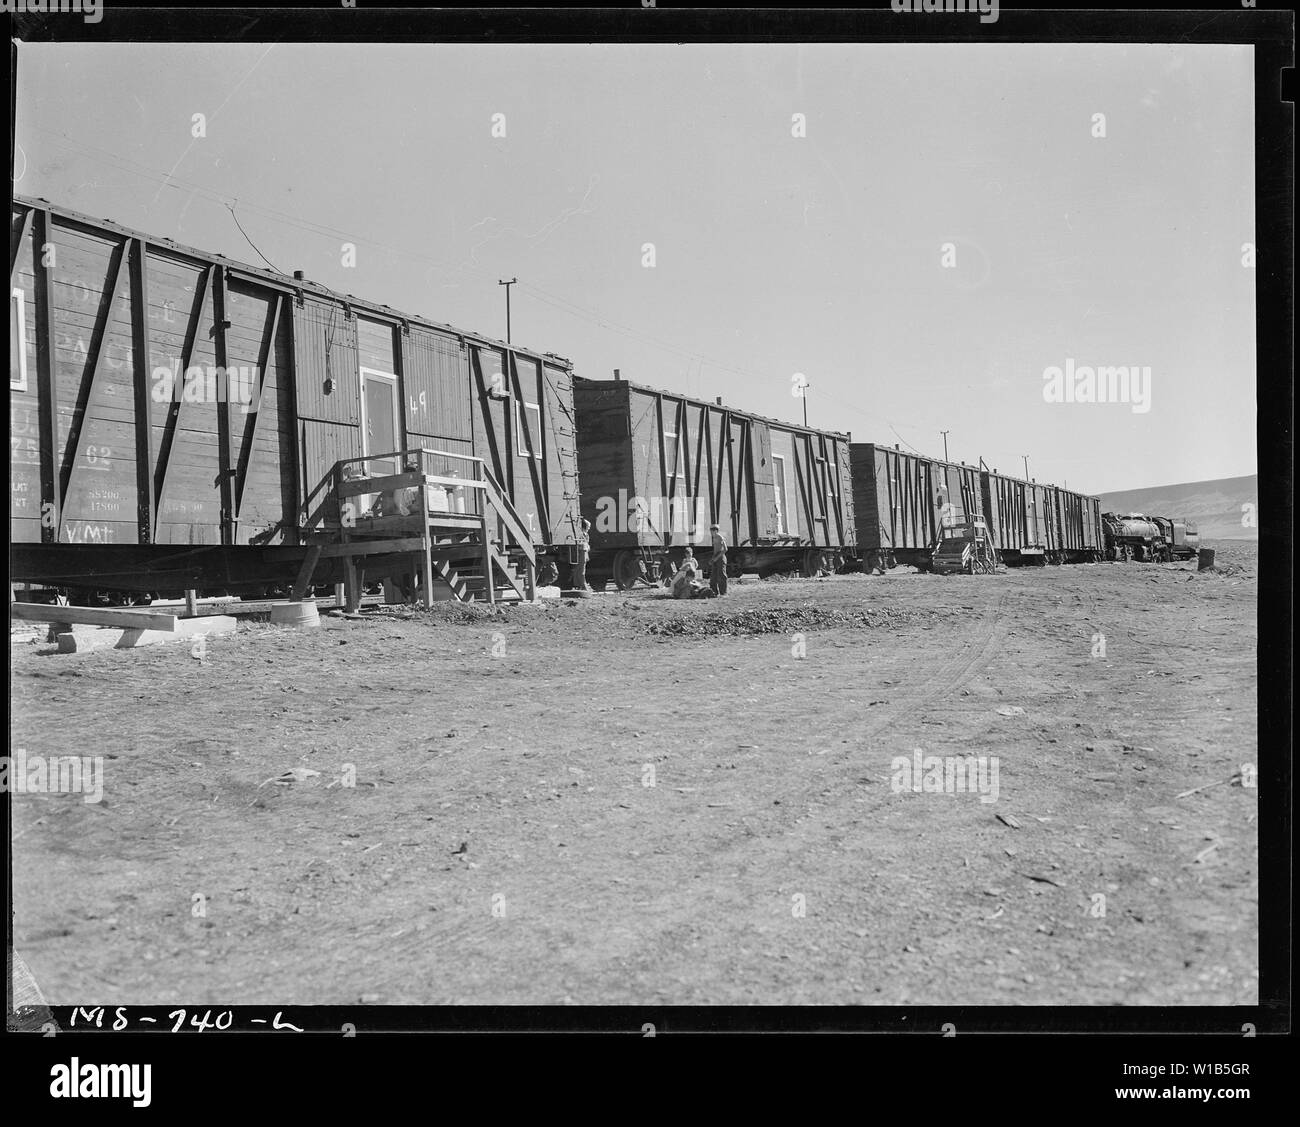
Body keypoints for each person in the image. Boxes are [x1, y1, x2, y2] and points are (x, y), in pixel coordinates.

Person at [708, 523, 729, 596]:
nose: (711, 532)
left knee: (722, 575)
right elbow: (715, 549)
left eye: (712, 530)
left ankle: (723, 593)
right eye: (711, 530)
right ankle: (714, 592)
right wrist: (713, 558)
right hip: (716, 558)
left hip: (721, 557)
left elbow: (725, 549)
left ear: (716, 531)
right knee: (713, 576)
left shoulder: (720, 537)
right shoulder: (714, 538)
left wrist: (716, 558)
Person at [573, 518, 592, 591]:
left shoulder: (585, 534)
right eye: (588, 527)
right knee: (581, 569)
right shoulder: (581, 534)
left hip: (584, 551)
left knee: (580, 568)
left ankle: (578, 584)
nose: (589, 528)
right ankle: (582, 584)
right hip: (582, 551)